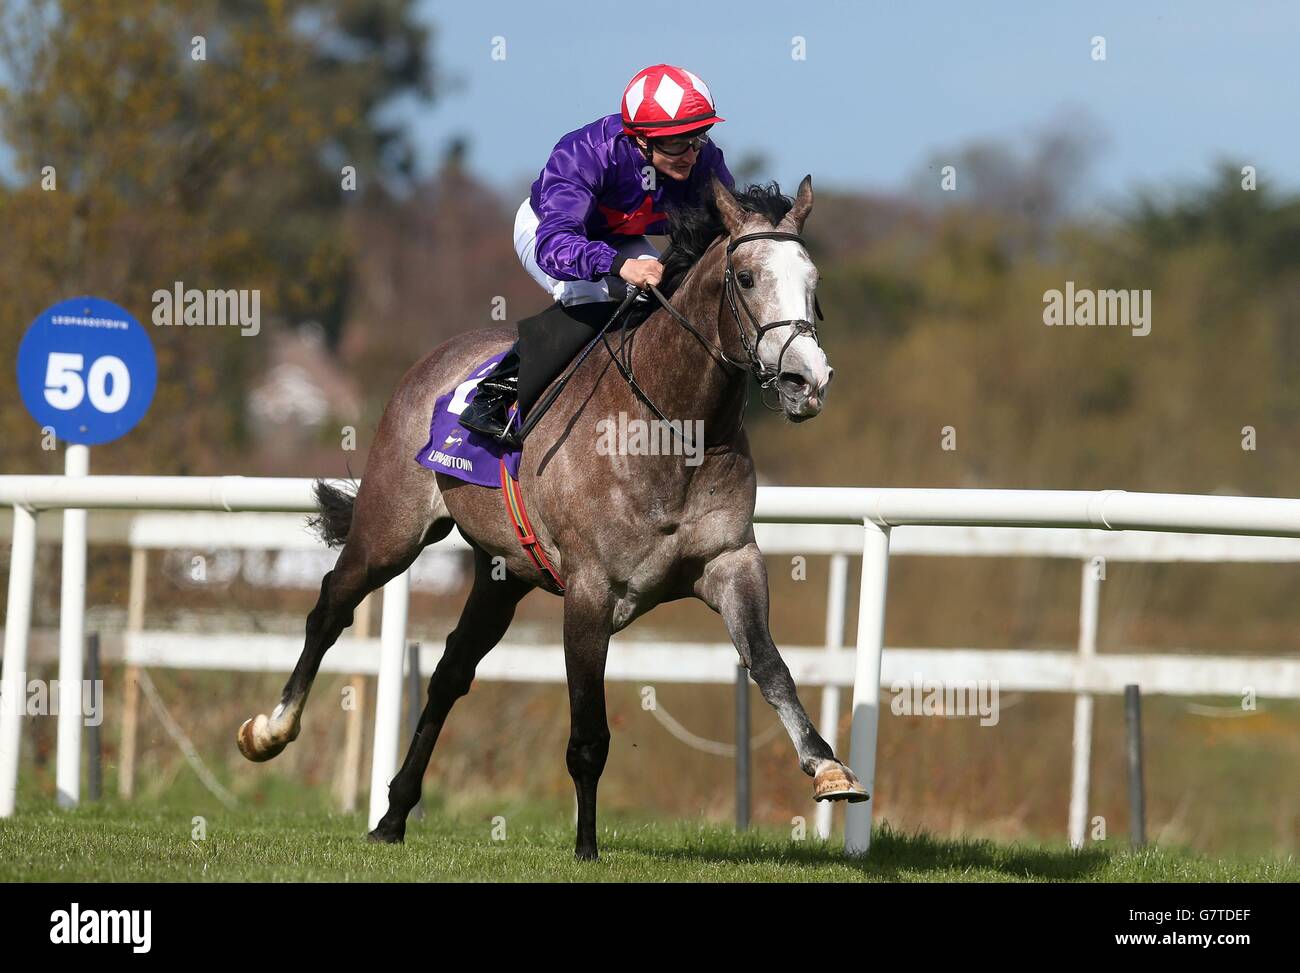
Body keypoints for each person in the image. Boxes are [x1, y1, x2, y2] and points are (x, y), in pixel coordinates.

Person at [458, 63, 736, 446]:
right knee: (587, 296)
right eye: (676, 142)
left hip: (621, 235)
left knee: (661, 300)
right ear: (640, 139)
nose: (690, 153)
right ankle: (495, 394)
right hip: (551, 232)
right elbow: (554, 248)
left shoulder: (702, 159)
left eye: (697, 137)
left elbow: (723, 225)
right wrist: (621, 266)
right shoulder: (584, 154)